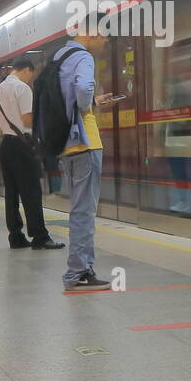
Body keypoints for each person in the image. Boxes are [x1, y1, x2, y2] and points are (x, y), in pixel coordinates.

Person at [56, 15, 117, 289]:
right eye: (104, 37)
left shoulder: (59, 55)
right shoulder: (84, 57)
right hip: (85, 141)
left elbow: (67, 94)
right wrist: (86, 104)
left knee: (78, 207)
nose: (105, 43)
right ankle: (78, 272)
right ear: (92, 33)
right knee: (84, 211)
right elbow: (81, 90)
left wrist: (92, 100)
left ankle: (81, 269)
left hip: (66, 142)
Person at [0, 56, 64, 250]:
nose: (29, 80)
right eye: (30, 76)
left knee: (11, 192)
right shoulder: (22, 89)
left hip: (6, 144)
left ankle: (15, 235)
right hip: (23, 145)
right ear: (26, 70)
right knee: (31, 191)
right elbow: (26, 120)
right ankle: (40, 236)